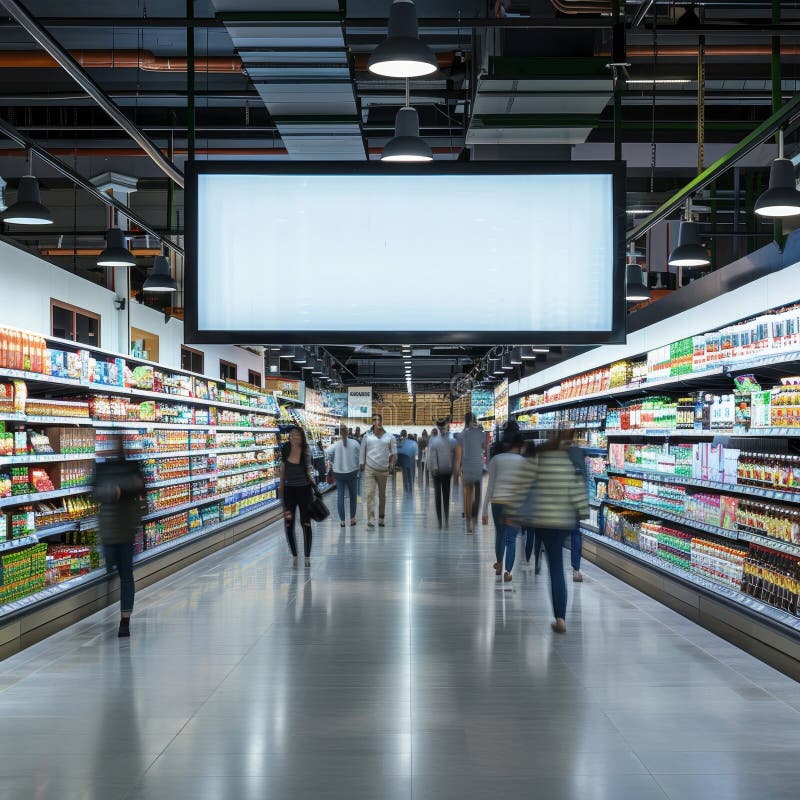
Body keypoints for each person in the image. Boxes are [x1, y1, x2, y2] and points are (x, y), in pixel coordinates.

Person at [517, 430, 590, 633]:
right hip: (562, 522)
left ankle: (537, 557)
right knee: (557, 568)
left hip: (541, 520)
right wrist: (583, 511)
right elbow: (576, 490)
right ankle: (561, 618)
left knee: (549, 556)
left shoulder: (538, 460)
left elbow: (525, 487)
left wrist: (518, 511)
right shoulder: (567, 464)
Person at [92, 434, 146, 637]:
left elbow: (144, 489)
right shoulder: (103, 469)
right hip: (110, 530)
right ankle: (114, 610)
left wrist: (124, 489)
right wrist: (116, 491)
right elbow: (93, 493)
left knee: (125, 576)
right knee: (116, 573)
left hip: (124, 530)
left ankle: (125, 619)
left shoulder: (132, 468)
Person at [481, 432, 532, 583]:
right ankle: (508, 571)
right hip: (515, 504)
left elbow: (490, 486)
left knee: (500, 534)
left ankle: (499, 563)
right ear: (519, 446)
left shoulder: (496, 460)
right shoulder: (523, 461)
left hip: (497, 502)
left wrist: (484, 510)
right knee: (511, 539)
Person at [279, 425, 316, 567]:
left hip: (304, 491)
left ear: (302, 437)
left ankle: (307, 556)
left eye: (297, 434)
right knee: (289, 523)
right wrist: (281, 486)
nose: (294, 437)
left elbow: (308, 471)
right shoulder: (285, 448)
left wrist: (314, 487)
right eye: (292, 434)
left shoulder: (306, 450)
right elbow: (283, 468)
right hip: (289, 492)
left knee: (306, 523)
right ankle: (294, 555)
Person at [359, 413, 396, 527]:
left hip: (383, 469)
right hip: (369, 469)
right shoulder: (367, 436)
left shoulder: (389, 437)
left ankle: (381, 517)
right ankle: (370, 518)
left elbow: (394, 452)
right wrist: (361, 463)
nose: (377, 422)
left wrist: (391, 464)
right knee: (369, 494)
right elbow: (362, 451)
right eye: (375, 420)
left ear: (382, 422)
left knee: (382, 495)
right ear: (372, 423)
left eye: (379, 420)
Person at [454, 411, 488, 533]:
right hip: (478, 467)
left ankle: (468, 523)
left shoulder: (461, 435)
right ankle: (474, 518)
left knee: (467, 495)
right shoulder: (480, 434)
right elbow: (485, 449)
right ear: (475, 420)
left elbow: (458, 457)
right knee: (478, 494)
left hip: (467, 468)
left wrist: (457, 472)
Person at [327, 424, 360, 527]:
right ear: (348, 432)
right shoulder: (355, 443)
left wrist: (333, 461)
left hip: (338, 473)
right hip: (352, 472)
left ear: (340, 433)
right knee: (353, 495)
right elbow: (359, 457)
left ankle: (342, 521)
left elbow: (328, 453)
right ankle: (352, 518)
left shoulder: (335, 445)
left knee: (340, 496)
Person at [427, 418, 457, 529]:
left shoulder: (435, 441)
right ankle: (443, 521)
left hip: (441, 472)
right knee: (443, 496)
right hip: (443, 472)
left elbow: (430, 458)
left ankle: (443, 521)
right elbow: (432, 457)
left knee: (441, 497)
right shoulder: (450, 441)